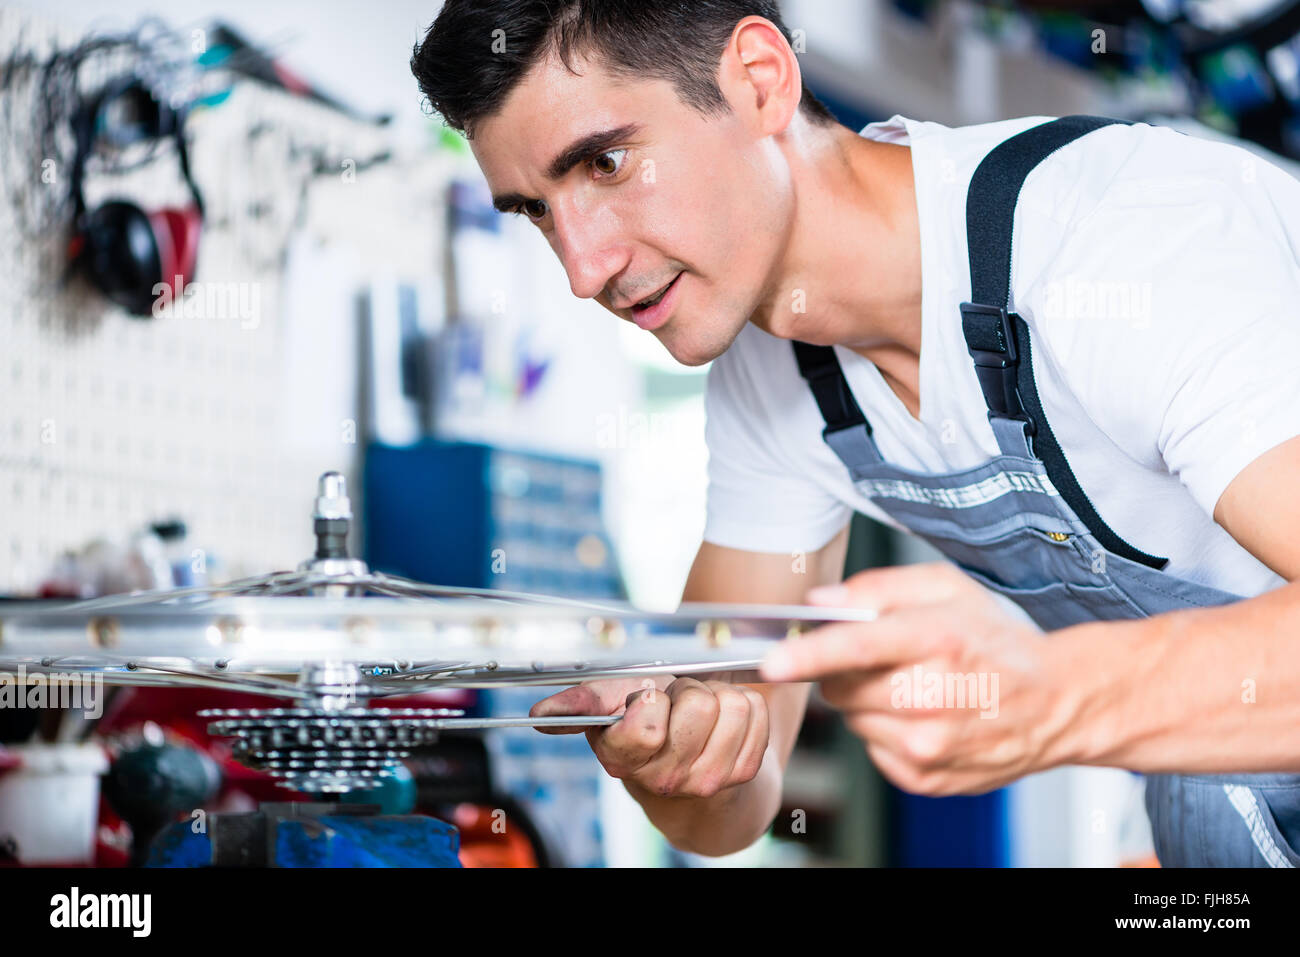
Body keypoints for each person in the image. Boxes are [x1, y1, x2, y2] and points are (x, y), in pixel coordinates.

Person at [410, 0, 1300, 866]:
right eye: (534, 209)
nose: (581, 266)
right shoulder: (768, 378)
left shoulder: (1120, 241)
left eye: (604, 164)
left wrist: (1047, 690)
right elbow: (733, 794)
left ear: (761, 82)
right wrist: (677, 755)